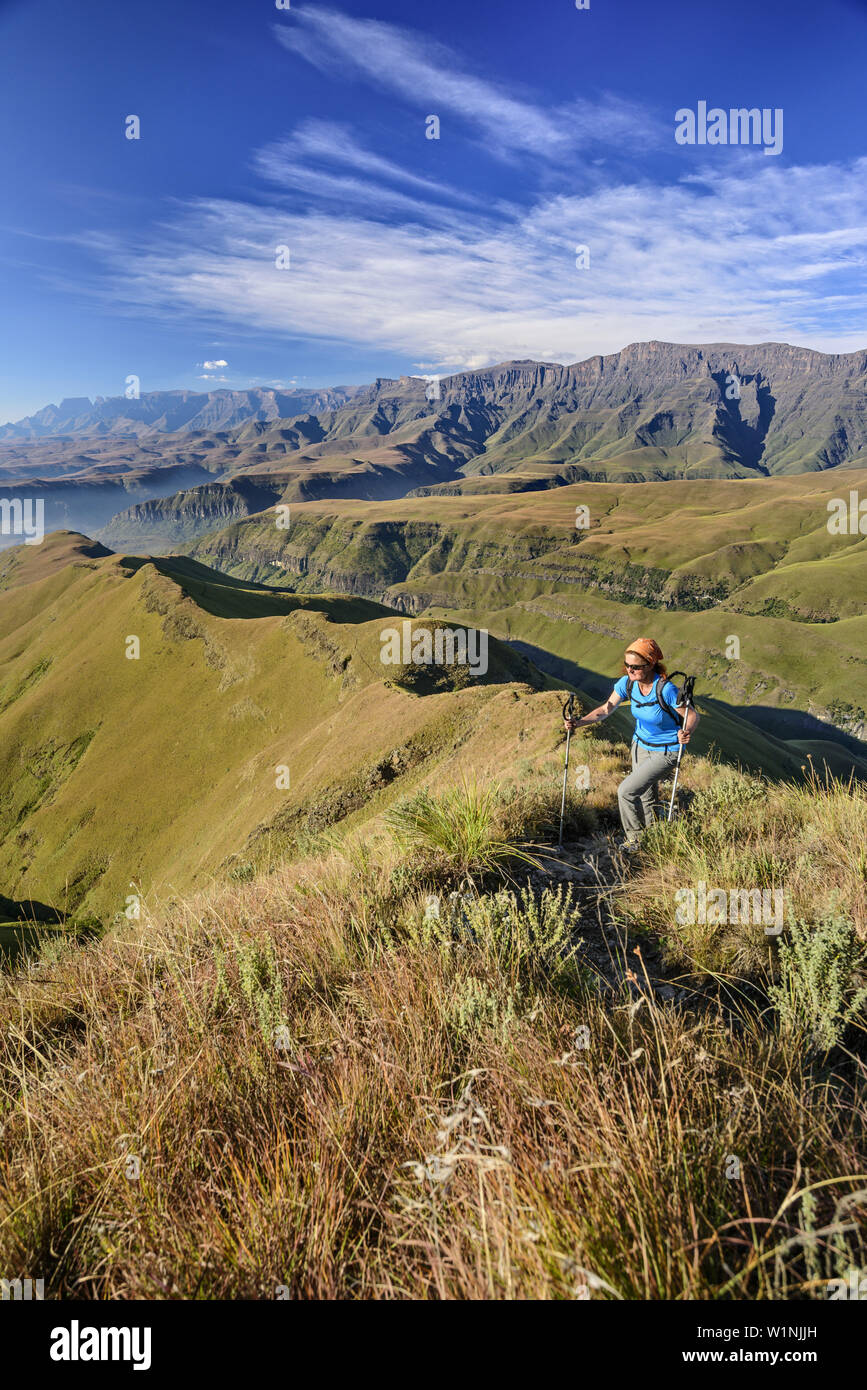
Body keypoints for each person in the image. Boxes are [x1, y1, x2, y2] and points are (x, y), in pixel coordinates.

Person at [564, 638, 699, 845]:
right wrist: (579, 722)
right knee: (645, 794)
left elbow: (692, 715)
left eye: (635, 667)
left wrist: (686, 731)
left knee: (625, 791)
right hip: (640, 746)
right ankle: (653, 838)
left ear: (650, 664)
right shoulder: (627, 684)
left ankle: (634, 841)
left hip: (667, 749)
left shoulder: (665, 689)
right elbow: (605, 709)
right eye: (627, 665)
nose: (630, 670)